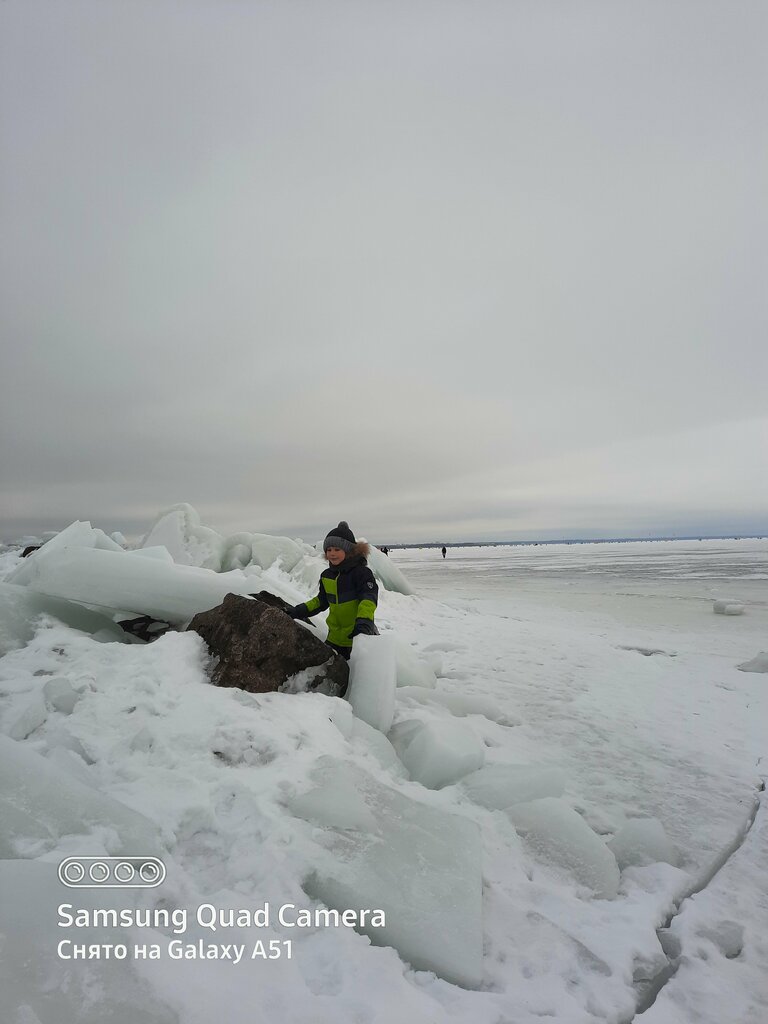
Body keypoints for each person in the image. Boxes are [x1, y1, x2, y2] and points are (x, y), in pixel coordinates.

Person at [286, 522, 378, 660]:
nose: (332, 554)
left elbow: (368, 599)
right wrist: (297, 611)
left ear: (348, 551)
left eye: (337, 549)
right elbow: (320, 601)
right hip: (334, 639)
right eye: (329, 550)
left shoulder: (361, 573)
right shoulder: (327, 575)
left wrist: (364, 622)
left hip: (357, 637)